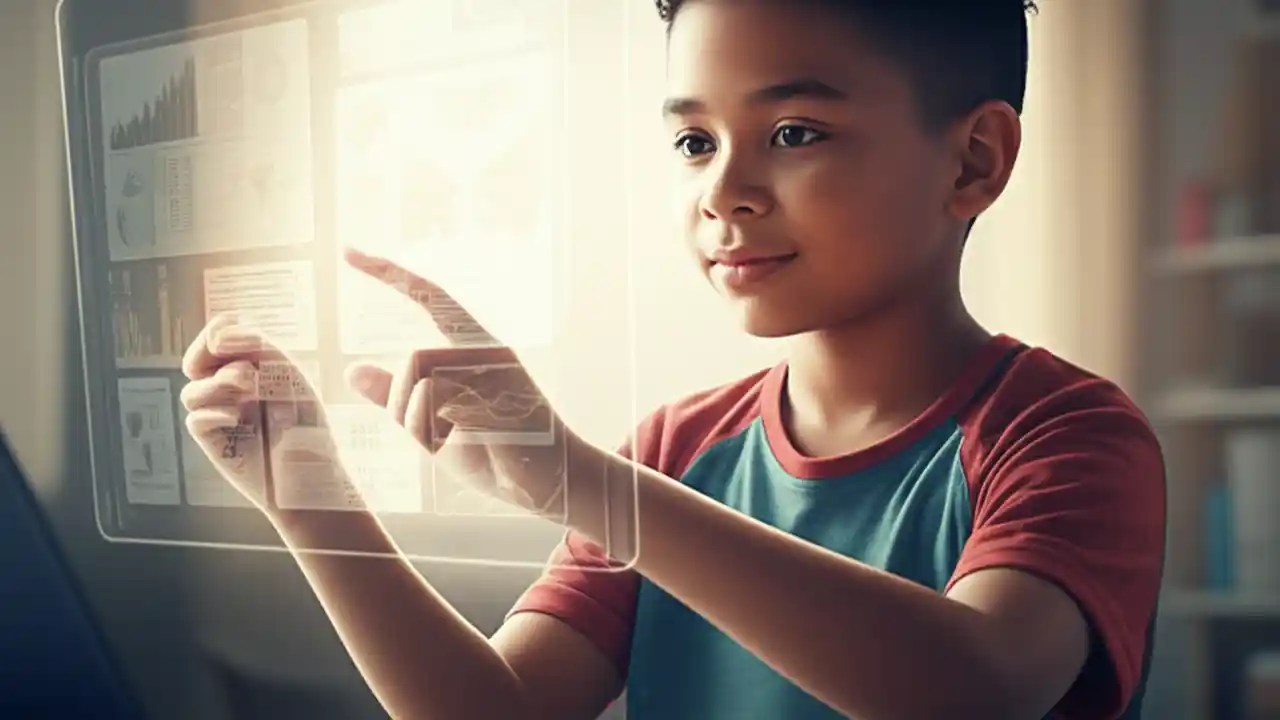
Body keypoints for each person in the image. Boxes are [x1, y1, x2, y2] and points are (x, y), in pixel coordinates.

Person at [179, 0, 1166, 717]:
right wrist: (306, 494)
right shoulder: (672, 452)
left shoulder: (1068, 436)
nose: (722, 191)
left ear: (974, 160)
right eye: (695, 142)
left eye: (793, 133)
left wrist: (581, 483)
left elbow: (973, 692)